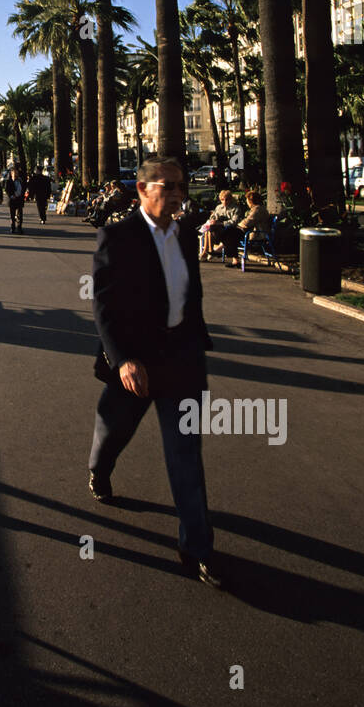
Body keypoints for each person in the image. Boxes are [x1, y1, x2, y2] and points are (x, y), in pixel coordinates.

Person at [88, 156, 224, 588]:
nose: (177, 194)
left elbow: (189, 291)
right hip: (135, 363)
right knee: (113, 432)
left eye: (180, 186)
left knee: (186, 456)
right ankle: (99, 470)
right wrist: (123, 358)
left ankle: (197, 547)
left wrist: (194, 336)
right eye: (167, 186)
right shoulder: (118, 236)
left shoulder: (185, 235)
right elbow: (103, 306)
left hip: (181, 360)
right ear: (143, 190)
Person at [221, 190, 271, 267]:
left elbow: (247, 222)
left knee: (229, 232)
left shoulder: (257, 210)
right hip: (252, 231)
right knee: (229, 233)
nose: (246, 202)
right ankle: (233, 258)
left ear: (251, 201)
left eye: (247, 200)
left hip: (257, 234)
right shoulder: (258, 208)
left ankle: (226, 253)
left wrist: (238, 225)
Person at [5, 165, 26, 234]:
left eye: (16, 173)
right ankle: (13, 227)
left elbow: (23, 188)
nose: (15, 174)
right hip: (12, 200)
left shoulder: (20, 180)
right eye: (14, 173)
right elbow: (7, 190)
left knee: (20, 215)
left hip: (19, 199)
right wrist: (11, 195)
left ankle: (19, 227)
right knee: (12, 215)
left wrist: (22, 195)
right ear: (11, 174)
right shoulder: (8, 181)